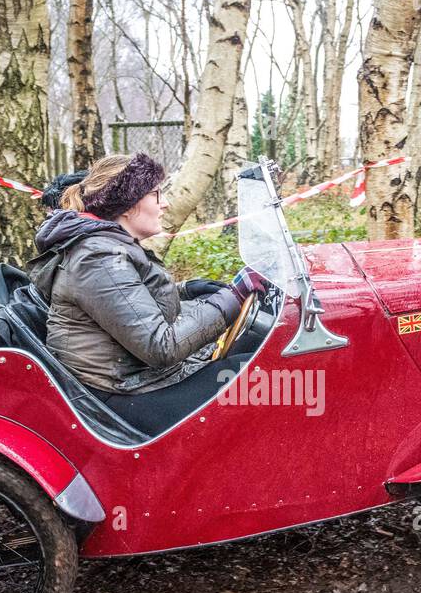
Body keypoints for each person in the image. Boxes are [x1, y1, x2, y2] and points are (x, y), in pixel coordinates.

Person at [27, 153, 266, 434]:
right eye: (156, 194)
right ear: (128, 205)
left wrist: (187, 291)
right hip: (121, 397)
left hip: (132, 380)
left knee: (253, 354)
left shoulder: (105, 246)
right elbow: (160, 346)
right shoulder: (98, 257)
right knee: (262, 379)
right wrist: (233, 298)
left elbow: (125, 304)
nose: (164, 203)